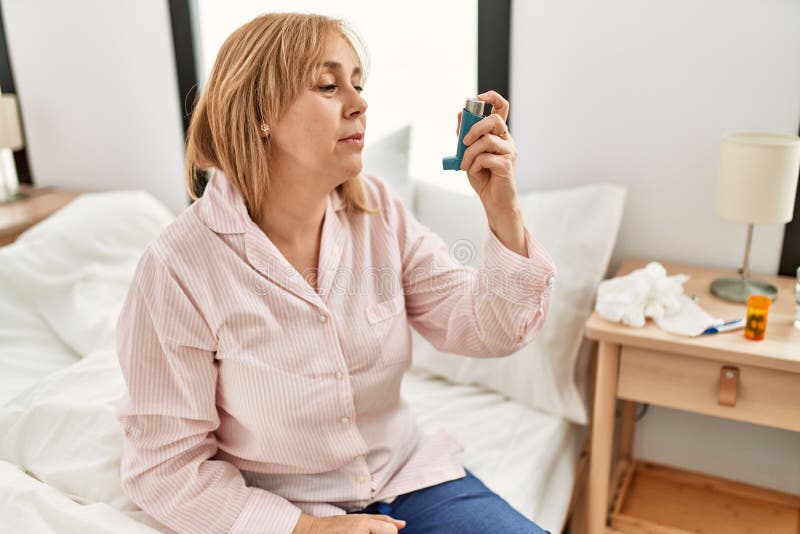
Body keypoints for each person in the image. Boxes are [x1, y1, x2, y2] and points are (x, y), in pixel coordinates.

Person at [115, 11, 556, 534]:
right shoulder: (178, 269)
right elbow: (164, 468)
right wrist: (307, 529)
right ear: (260, 114)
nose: (360, 102)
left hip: (406, 477)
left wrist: (503, 212)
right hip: (284, 509)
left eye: (358, 83)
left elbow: (490, 328)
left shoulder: (380, 212)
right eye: (328, 85)